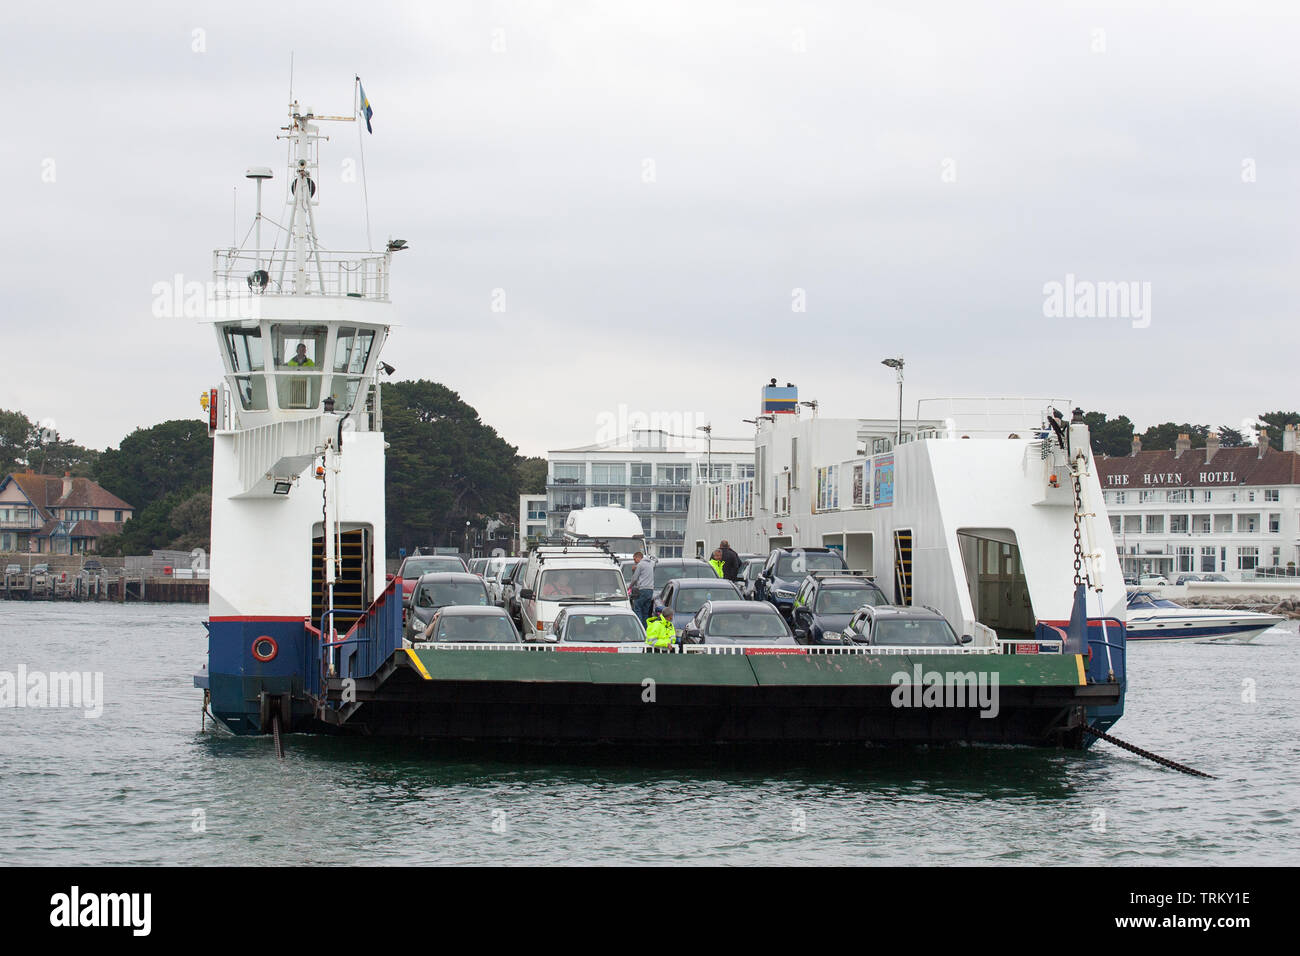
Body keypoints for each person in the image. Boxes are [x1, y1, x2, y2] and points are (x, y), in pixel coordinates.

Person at [625, 550, 657, 624]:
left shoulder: (640, 564)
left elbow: (635, 578)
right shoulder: (651, 564)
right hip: (650, 590)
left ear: (638, 557)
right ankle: (645, 629)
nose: (634, 561)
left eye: (634, 559)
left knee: (637, 608)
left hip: (642, 590)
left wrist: (629, 587)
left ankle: (639, 627)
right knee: (645, 612)